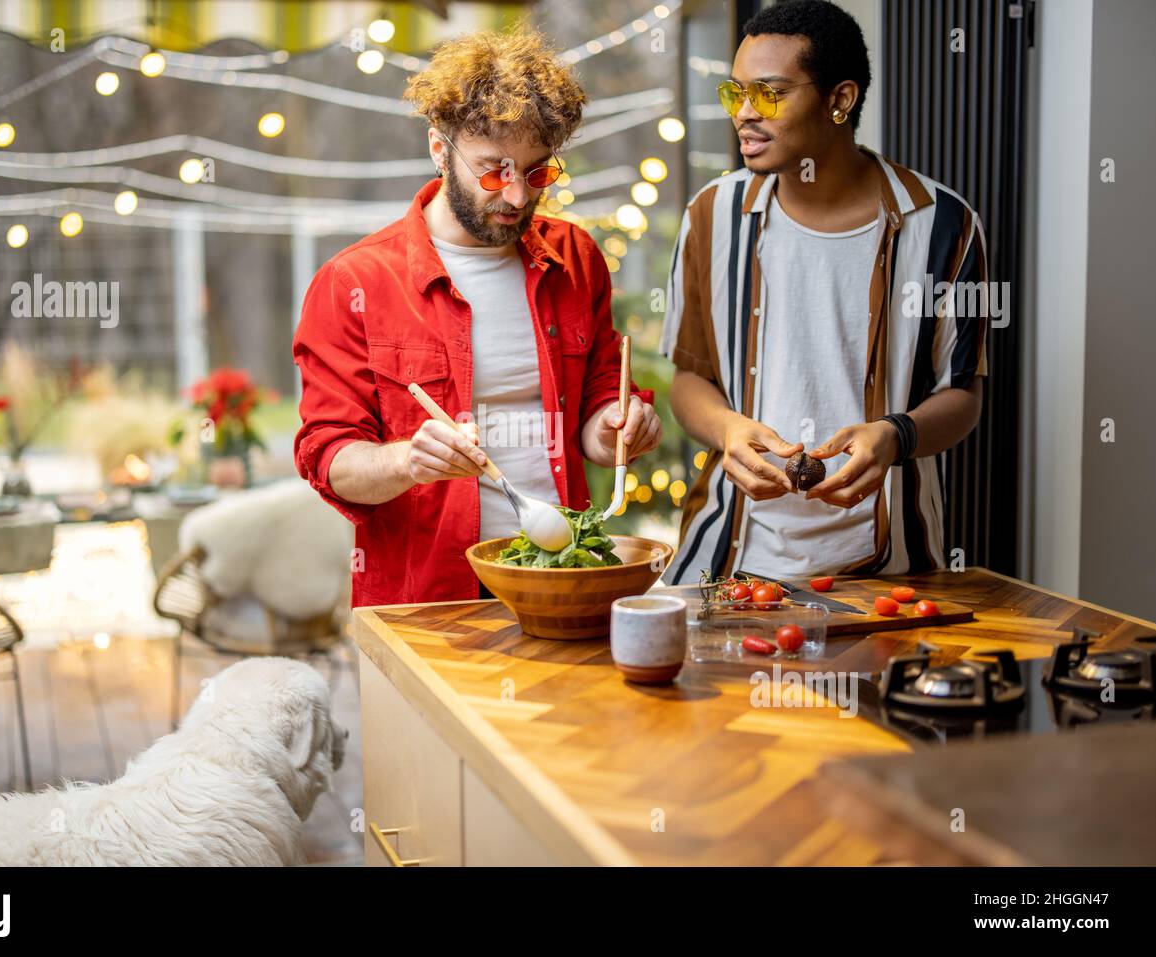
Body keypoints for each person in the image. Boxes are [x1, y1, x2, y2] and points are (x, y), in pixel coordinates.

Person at [294, 31, 662, 607]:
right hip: (430, 600)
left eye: (537, 173)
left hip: (565, 579)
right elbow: (328, 458)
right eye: (494, 171)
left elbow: (594, 410)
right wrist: (407, 460)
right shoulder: (354, 283)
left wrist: (613, 427)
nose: (516, 196)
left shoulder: (578, 260)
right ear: (440, 150)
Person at [659, 0, 988, 586]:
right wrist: (728, 430)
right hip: (726, 557)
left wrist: (895, 435)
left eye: (770, 94)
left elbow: (961, 395)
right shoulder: (712, 215)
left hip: (889, 567)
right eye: (735, 94)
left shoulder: (944, 224)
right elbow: (690, 377)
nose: (744, 115)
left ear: (840, 99)